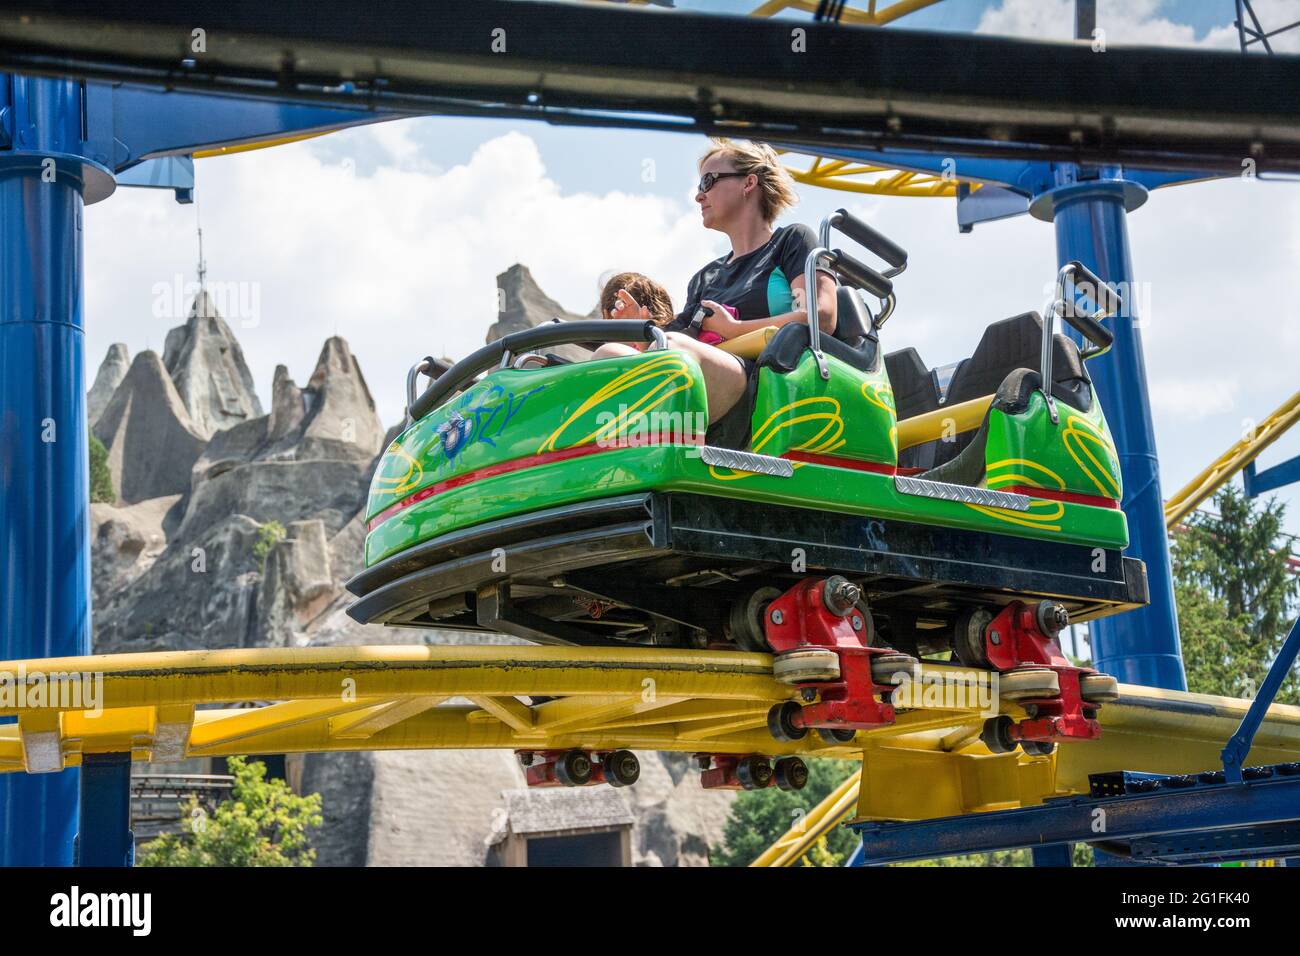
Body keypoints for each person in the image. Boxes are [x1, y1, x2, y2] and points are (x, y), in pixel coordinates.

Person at [594, 138, 837, 448]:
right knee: (608, 355)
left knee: (674, 351)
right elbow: (675, 336)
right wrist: (639, 331)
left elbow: (821, 316)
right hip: (707, 372)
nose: (698, 195)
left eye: (708, 182)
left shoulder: (791, 242)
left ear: (749, 183)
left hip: (769, 375)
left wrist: (734, 329)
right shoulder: (705, 277)